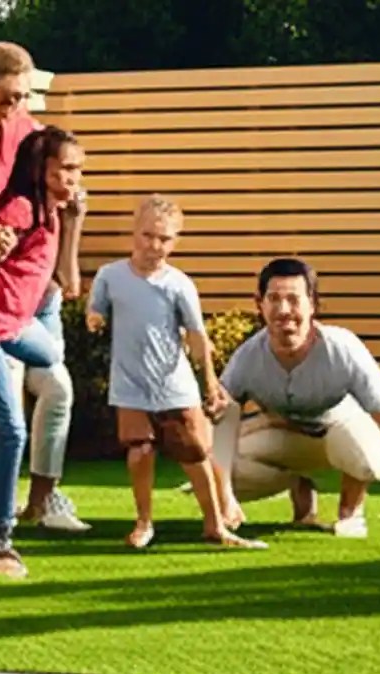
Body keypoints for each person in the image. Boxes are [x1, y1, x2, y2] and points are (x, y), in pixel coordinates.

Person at [212, 257, 380, 537]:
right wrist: (225, 498)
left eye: (294, 299)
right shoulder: (248, 357)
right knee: (214, 474)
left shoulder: (343, 349)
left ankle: (350, 512)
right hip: (289, 438)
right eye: (273, 298)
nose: (284, 310)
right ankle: (298, 486)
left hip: (343, 430)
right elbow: (220, 425)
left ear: (312, 304)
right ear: (259, 303)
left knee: (369, 460)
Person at [86, 194, 265, 550]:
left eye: (164, 239)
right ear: (134, 232)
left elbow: (198, 337)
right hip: (129, 384)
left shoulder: (178, 284)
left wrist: (211, 382)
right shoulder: (110, 276)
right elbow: (96, 308)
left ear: (176, 240)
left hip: (174, 385)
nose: (155, 245)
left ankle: (215, 524)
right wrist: (95, 318)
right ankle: (143, 522)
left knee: (196, 453)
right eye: (148, 235)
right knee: (139, 452)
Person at [0, 40, 89, 533]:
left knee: (55, 376)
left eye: (25, 97)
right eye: (10, 96)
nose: (18, 107)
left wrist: (71, 205)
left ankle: (42, 500)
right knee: (11, 426)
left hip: (29, 300)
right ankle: (1, 537)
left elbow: (70, 277)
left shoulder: (28, 132)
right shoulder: (18, 211)